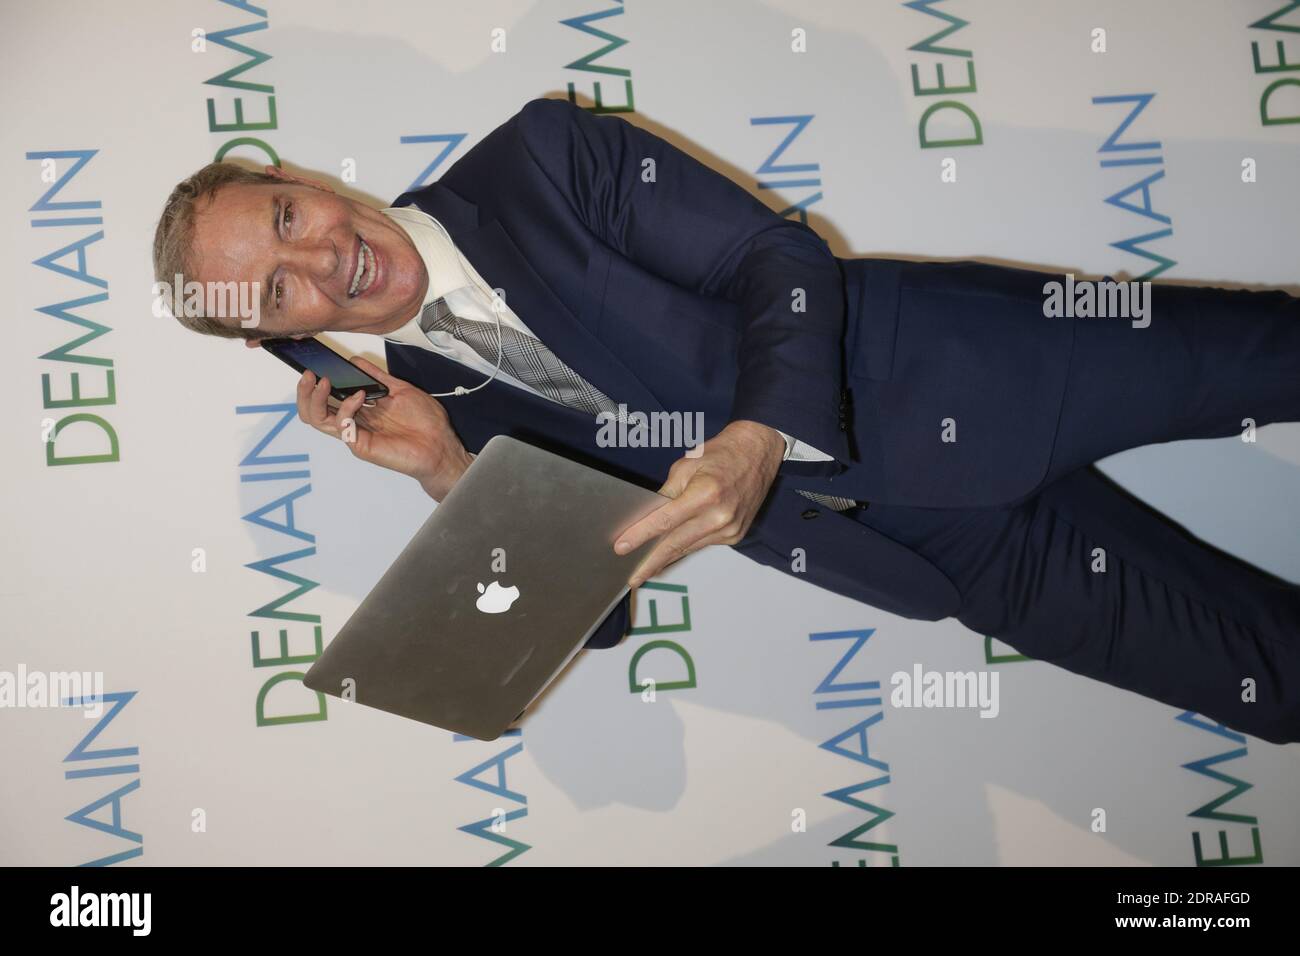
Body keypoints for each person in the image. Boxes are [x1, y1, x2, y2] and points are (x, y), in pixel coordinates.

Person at [153, 96, 1300, 744]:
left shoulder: (537, 162)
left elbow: (777, 258)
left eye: (288, 216)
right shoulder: (424, 411)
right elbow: (590, 617)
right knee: (1270, 678)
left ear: (303, 176)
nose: (320, 260)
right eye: (274, 293)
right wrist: (451, 474)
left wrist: (757, 436)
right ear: (276, 339)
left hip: (986, 365)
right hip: (927, 547)